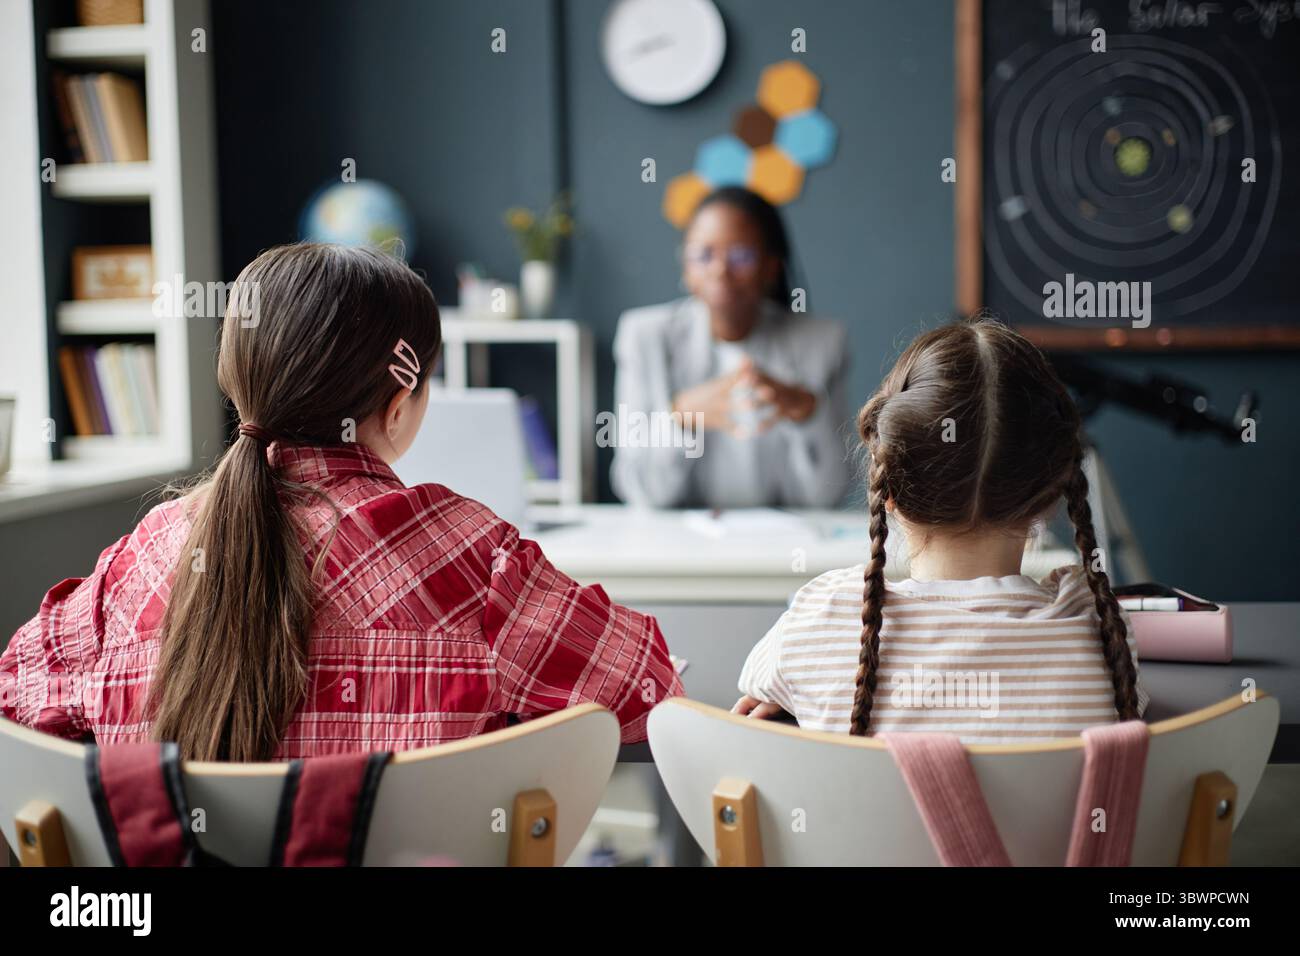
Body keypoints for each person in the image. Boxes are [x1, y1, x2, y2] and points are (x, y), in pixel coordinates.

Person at [0, 243, 682, 760]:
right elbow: (649, 693)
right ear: (398, 406)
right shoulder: (475, 557)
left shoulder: (140, 559)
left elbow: (17, 706)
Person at [734, 316, 1149, 741]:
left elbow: (757, 683)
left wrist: (799, 689)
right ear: (1050, 495)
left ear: (888, 488)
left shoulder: (825, 619)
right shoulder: (1096, 624)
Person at [611, 187, 851, 508]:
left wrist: (806, 411)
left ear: (771, 267)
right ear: (685, 266)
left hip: (781, 550)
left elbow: (828, 496)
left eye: (741, 256)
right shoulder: (643, 336)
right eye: (703, 255)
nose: (720, 270)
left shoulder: (821, 342)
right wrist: (680, 415)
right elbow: (638, 491)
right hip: (677, 550)